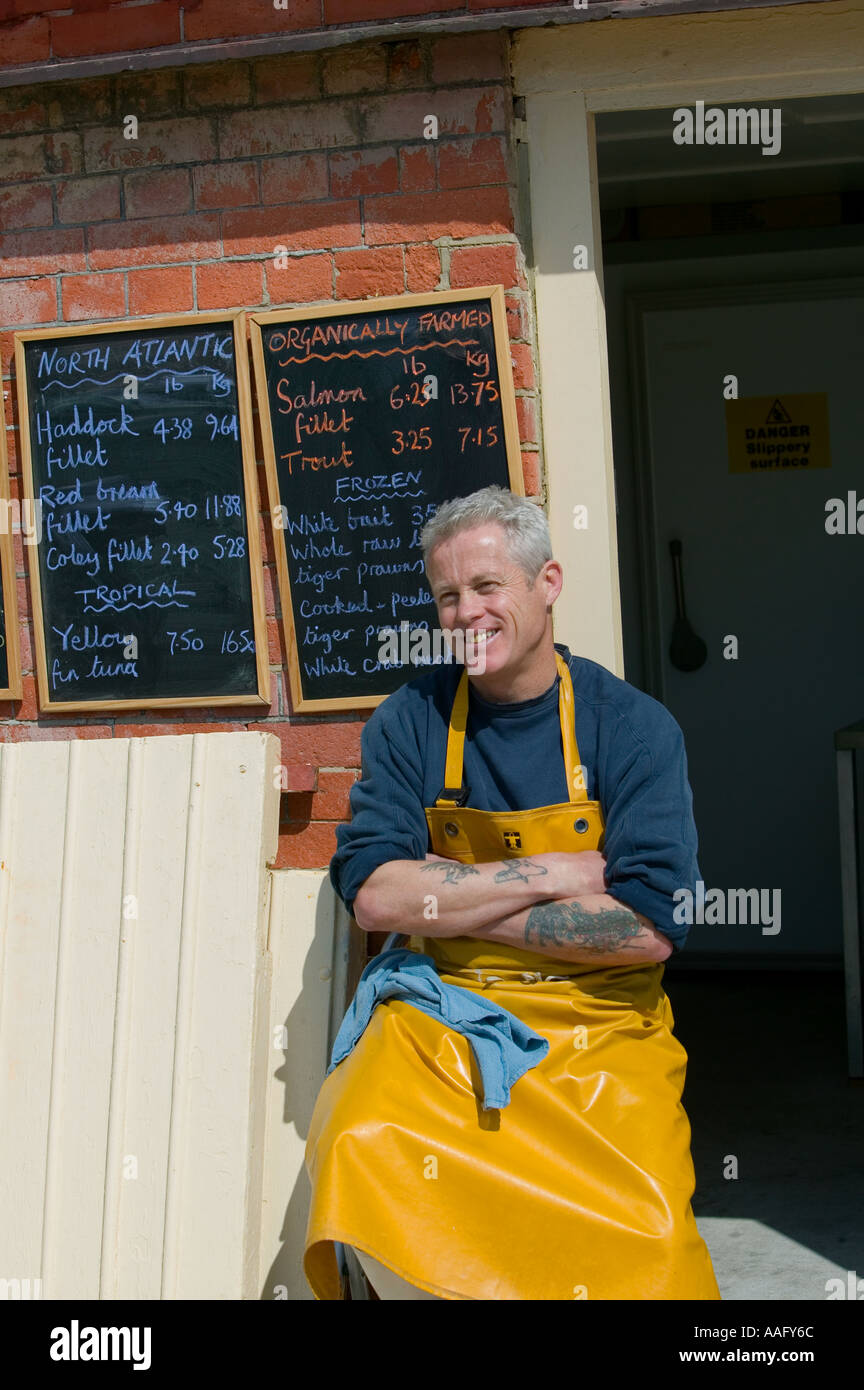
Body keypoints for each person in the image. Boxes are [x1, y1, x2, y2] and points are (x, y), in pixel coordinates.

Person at [302, 485, 720, 1301]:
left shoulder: (631, 727)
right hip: (445, 1013)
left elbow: (649, 928)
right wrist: (555, 873)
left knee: (651, 1235)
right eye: (447, 595)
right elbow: (379, 901)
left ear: (548, 584)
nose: (466, 614)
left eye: (487, 588)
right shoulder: (408, 722)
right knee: (360, 1136)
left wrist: (452, 897)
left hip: (602, 1027)